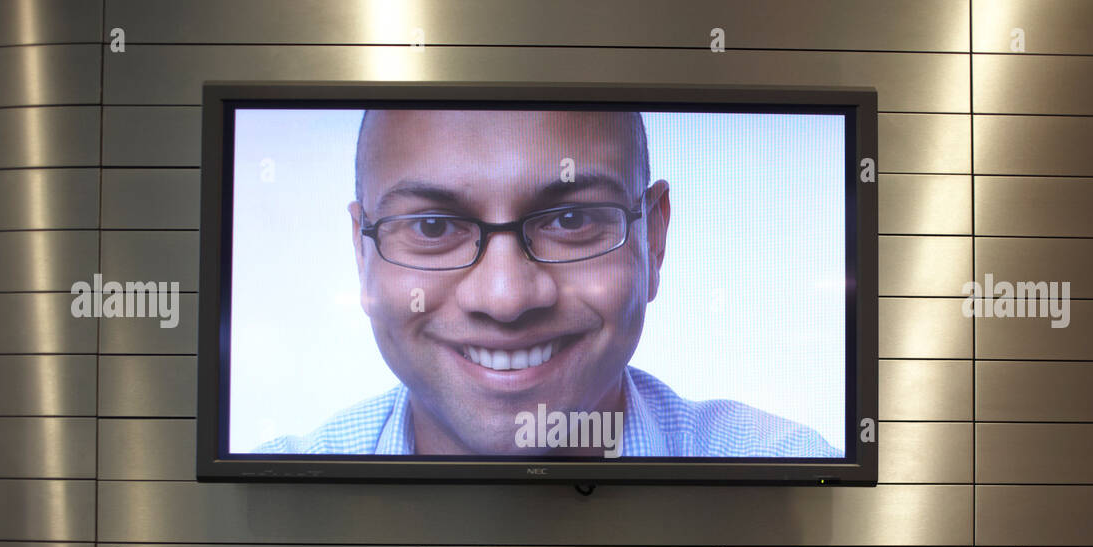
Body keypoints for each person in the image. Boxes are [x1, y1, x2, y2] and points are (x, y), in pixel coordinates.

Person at [254, 108, 841, 459]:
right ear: (362, 251)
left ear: (654, 239)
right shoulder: (256, 516)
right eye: (433, 226)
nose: (505, 299)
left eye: (570, 220)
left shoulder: (792, 480)